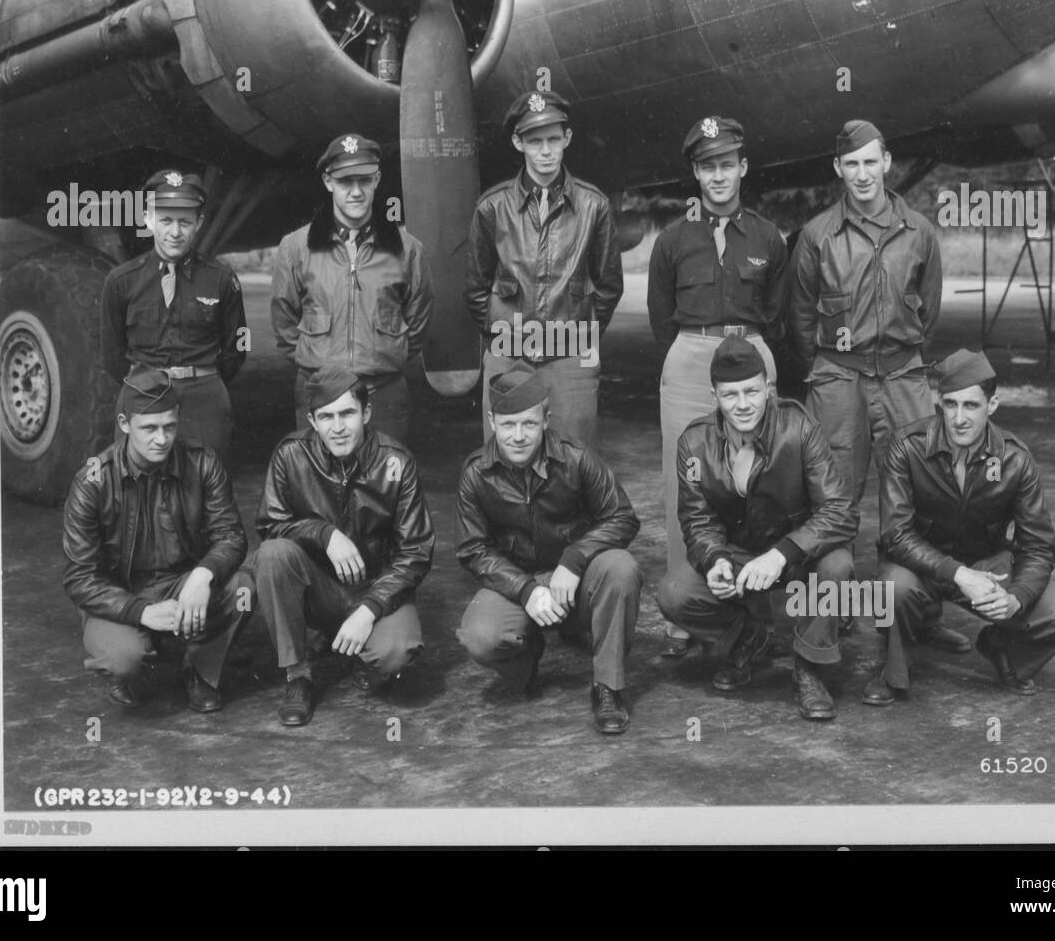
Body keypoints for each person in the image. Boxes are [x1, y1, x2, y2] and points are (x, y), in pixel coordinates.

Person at [788, 119, 964, 651]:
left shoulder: (919, 231)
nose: (862, 174)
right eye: (851, 164)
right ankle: (828, 617)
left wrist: (895, 355)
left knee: (913, 498)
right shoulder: (817, 235)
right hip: (839, 376)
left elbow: (927, 311)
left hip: (904, 375)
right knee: (832, 499)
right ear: (837, 169)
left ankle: (915, 615)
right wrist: (833, 368)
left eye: (871, 162)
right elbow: (798, 322)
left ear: (887, 163)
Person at [863, 349, 1055, 704]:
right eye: (951, 405)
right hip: (919, 565)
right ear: (938, 403)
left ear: (992, 405)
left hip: (985, 566)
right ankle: (892, 670)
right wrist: (958, 573)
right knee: (894, 588)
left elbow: (1038, 546)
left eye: (971, 406)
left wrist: (1016, 598)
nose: (959, 418)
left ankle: (1002, 649)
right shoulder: (908, 446)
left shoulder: (1015, 458)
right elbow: (895, 533)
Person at [658, 336, 856, 719]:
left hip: (797, 552)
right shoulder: (694, 443)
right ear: (713, 396)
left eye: (751, 391)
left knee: (838, 566)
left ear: (768, 390)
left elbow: (840, 510)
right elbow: (698, 521)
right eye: (730, 395)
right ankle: (748, 637)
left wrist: (782, 555)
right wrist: (714, 559)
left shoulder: (800, 428)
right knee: (674, 593)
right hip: (740, 556)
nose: (743, 404)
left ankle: (809, 667)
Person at [647, 115, 787, 658]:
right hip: (690, 355)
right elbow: (662, 316)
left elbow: (775, 314)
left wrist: (752, 350)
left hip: (751, 352)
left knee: (765, 471)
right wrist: (692, 351)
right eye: (708, 167)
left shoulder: (768, 237)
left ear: (742, 168)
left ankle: (761, 600)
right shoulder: (673, 240)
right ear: (696, 174)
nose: (718, 176)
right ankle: (687, 609)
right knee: (684, 478)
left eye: (727, 165)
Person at [456, 365, 642, 734]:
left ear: (546, 420)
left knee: (621, 568)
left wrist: (574, 560)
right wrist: (526, 590)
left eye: (529, 423)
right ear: (492, 422)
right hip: (516, 584)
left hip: (574, 582)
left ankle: (608, 686)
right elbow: (473, 548)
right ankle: (528, 654)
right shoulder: (476, 472)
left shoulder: (576, 458)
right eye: (508, 425)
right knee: (481, 637)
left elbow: (622, 517)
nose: (519, 436)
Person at [62, 365, 252, 712]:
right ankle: (133, 672)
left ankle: (201, 670)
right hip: (120, 594)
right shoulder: (93, 481)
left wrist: (203, 574)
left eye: (169, 427)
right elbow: (79, 577)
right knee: (123, 657)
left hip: (181, 584)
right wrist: (140, 611)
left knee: (242, 589)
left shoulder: (203, 464)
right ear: (124, 424)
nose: (161, 439)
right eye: (148, 428)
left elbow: (231, 536)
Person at [253, 366, 434, 727]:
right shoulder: (290, 455)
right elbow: (270, 523)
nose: (337, 427)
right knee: (272, 555)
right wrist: (325, 534)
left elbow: (415, 553)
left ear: (366, 413)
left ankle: (363, 652)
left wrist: (369, 609)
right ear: (312, 420)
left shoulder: (396, 462)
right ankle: (298, 675)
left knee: (394, 654)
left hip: (376, 590)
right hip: (319, 586)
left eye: (347, 413)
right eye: (326, 417)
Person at [464, 90, 624, 447]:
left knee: (574, 461)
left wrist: (578, 336)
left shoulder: (594, 206)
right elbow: (476, 287)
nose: (546, 151)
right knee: (504, 463)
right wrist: (503, 339)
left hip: (570, 358)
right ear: (518, 143)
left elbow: (609, 286)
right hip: (508, 353)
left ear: (567, 138)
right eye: (535, 141)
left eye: (554, 139)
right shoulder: (491, 207)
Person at [271, 134, 433, 443]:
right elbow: (285, 324)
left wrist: (385, 357)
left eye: (364, 180)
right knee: (316, 486)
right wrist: (318, 365)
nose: (356, 191)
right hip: (319, 394)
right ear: (328, 181)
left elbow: (418, 323)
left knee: (384, 486)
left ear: (377, 180)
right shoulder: (295, 248)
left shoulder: (409, 250)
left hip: (383, 394)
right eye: (346, 181)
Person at [100, 169, 247, 467]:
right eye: (165, 220)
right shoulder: (121, 281)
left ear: (199, 223)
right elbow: (111, 354)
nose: (175, 232)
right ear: (148, 219)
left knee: (208, 490)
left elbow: (238, 348)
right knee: (137, 494)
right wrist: (143, 382)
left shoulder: (222, 279)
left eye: (185, 222)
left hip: (203, 401)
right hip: (142, 398)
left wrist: (202, 379)